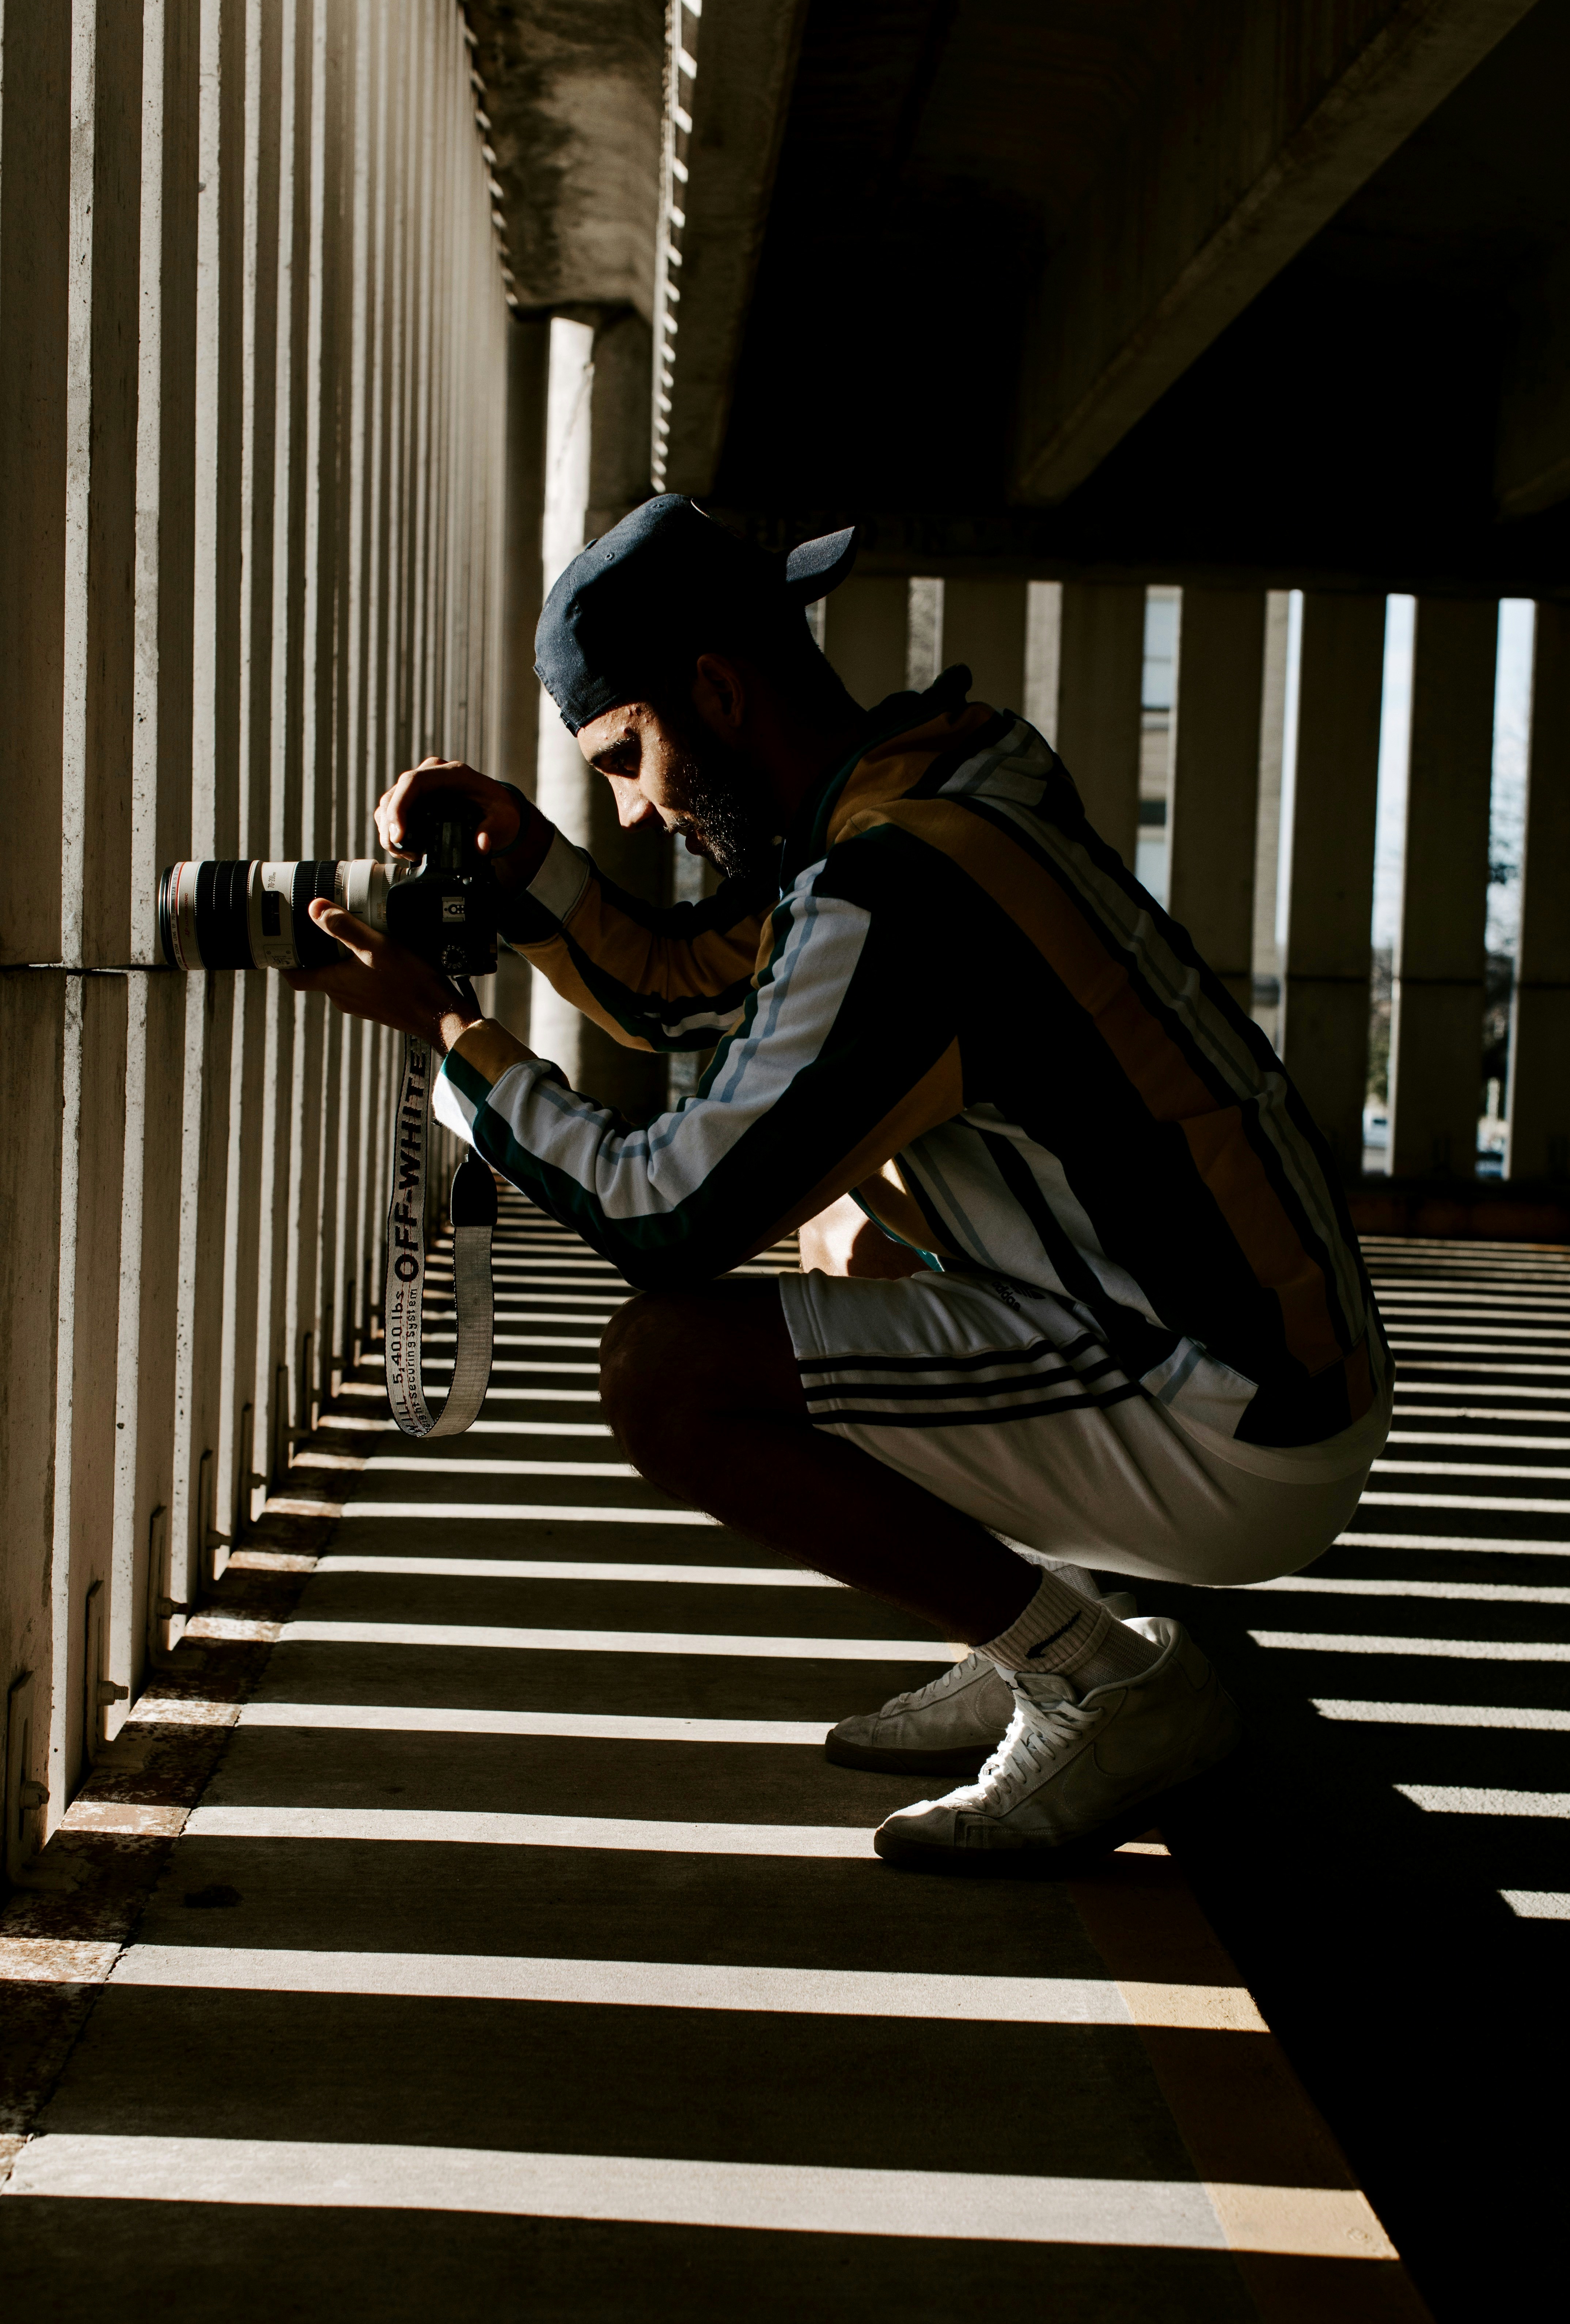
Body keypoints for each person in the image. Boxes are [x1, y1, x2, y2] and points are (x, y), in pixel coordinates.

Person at [293, 495, 1393, 1874]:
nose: (633, 808)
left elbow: (666, 1215)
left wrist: (449, 1036)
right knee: (843, 1226)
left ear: (714, 691)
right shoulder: (950, 793)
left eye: (627, 758)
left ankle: (1101, 1680)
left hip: (1226, 1419)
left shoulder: (900, 889)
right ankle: (1026, 1639)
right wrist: (524, 859)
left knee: (666, 1372)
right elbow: (699, 990)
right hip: (1283, 1367)